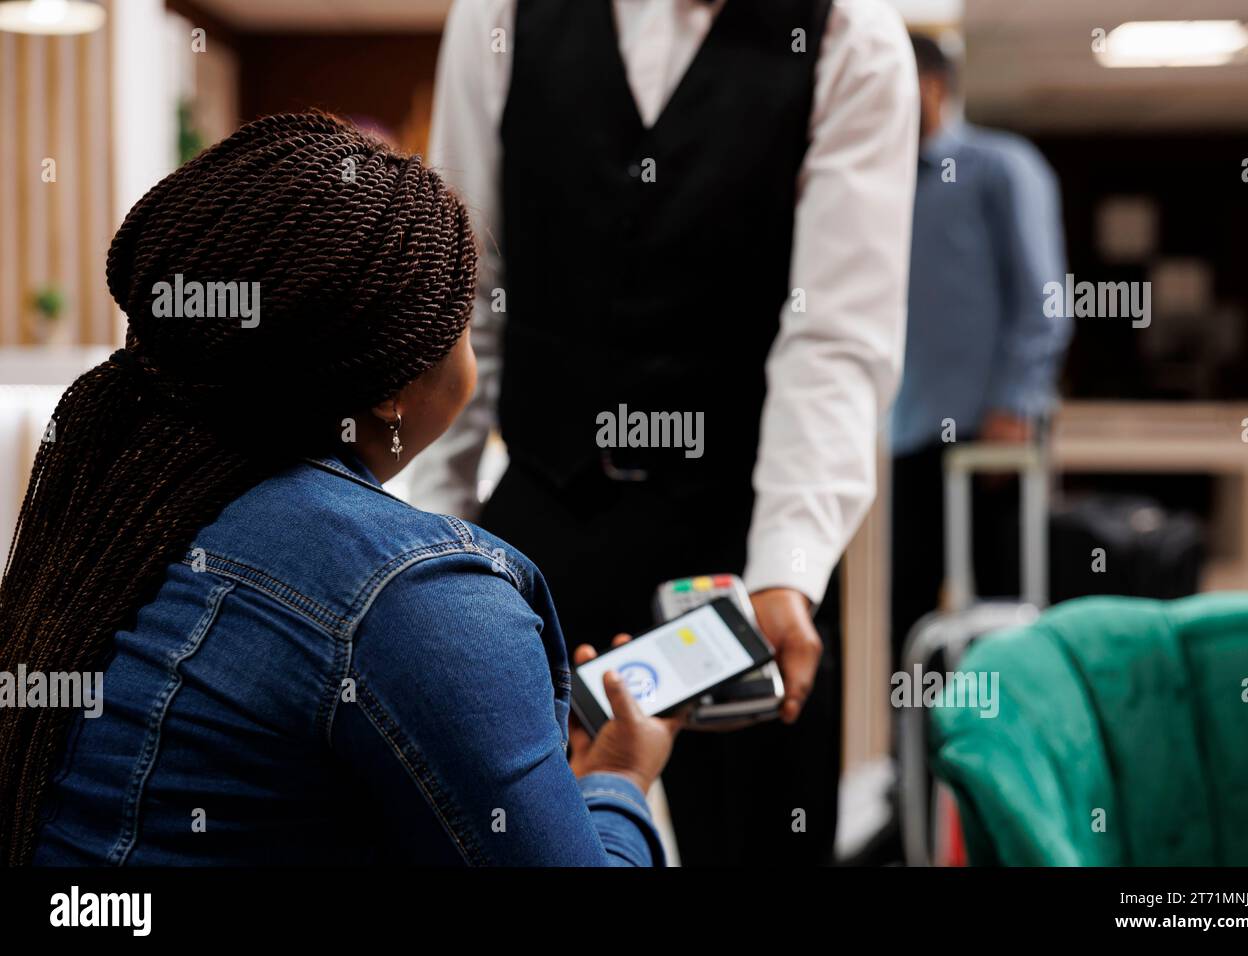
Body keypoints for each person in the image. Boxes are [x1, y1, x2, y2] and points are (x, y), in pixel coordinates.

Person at [0, 112, 680, 867]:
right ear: (394, 387)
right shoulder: (419, 597)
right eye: (464, 319)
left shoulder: (117, 506)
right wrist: (618, 778)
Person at [405, 0, 918, 865]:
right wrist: (436, 534)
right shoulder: (497, 15)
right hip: (542, 515)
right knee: (496, 842)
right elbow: (468, 286)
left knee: (767, 840)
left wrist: (787, 567)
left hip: (739, 534)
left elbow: (833, 335)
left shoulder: (850, 37)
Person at [890, 33, 1071, 667]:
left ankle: (1008, 755)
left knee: (1003, 615)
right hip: (908, 434)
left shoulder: (999, 166)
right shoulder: (881, 181)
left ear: (930, 86)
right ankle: (916, 756)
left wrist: (1015, 402)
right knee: (908, 615)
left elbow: (1044, 298)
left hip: (993, 432)